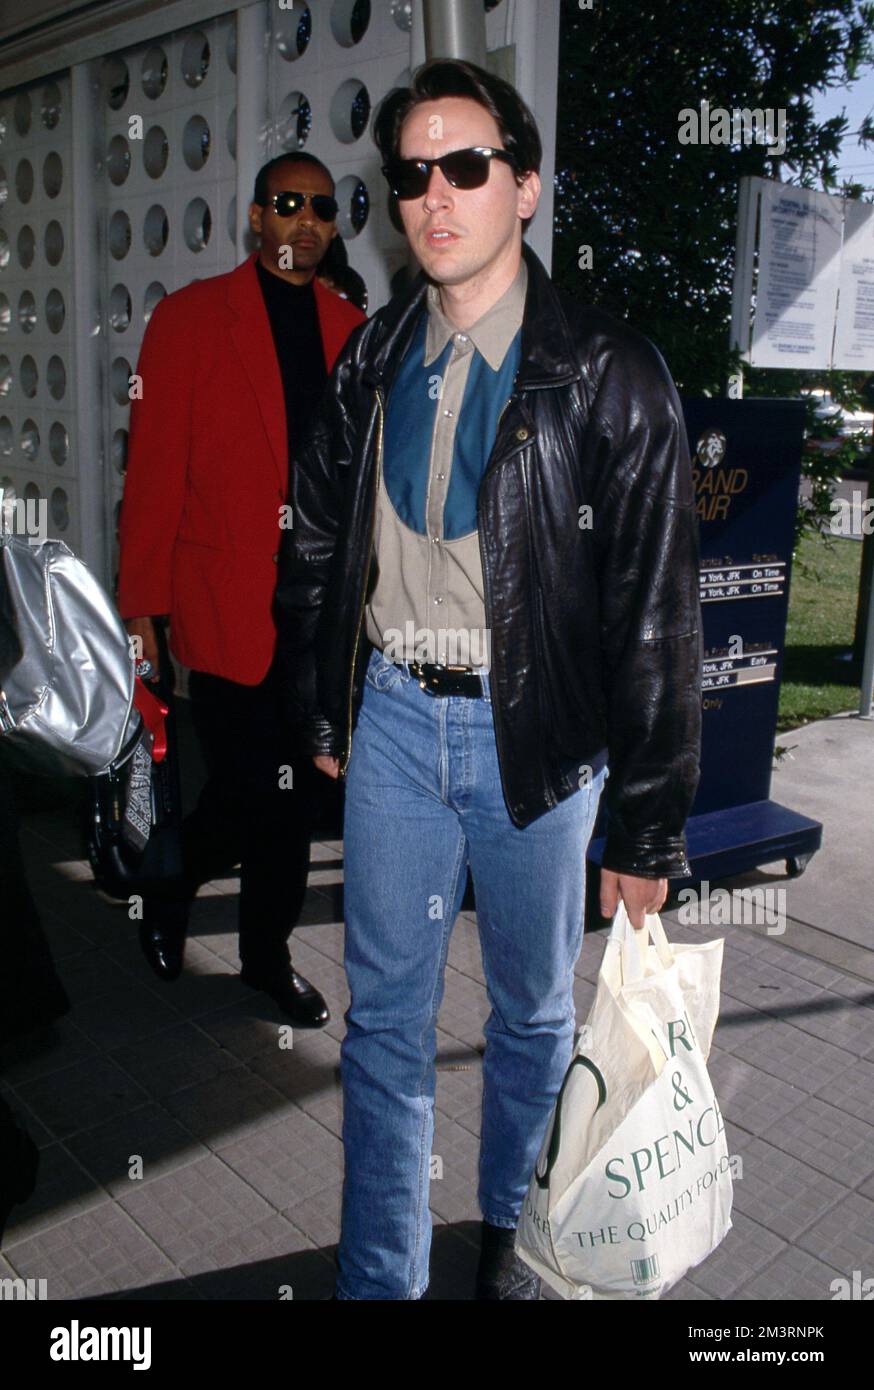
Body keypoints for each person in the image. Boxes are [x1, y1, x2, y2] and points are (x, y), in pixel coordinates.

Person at [275, 60, 701, 1298]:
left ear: (524, 187)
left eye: (466, 166)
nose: (435, 194)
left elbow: (656, 619)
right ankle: (379, 1283)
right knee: (385, 1030)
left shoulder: (611, 371)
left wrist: (648, 826)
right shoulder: (371, 357)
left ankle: (520, 1262)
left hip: (539, 746)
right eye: (413, 171)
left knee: (530, 1025)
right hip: (398, 728)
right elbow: (312, 534)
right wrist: (319, 698)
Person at [117, 152, 365, 1025]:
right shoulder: (188, 322)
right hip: (224, 607)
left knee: (293, 805)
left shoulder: (350, 327)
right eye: (287, 203)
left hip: (318, 620)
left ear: (335, 226)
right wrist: (141, 607)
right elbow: (151, 474)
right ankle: (171, 882)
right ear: (255, 216)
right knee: (254, 789)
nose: (305, 221)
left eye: (322, 208)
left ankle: (263, 957)